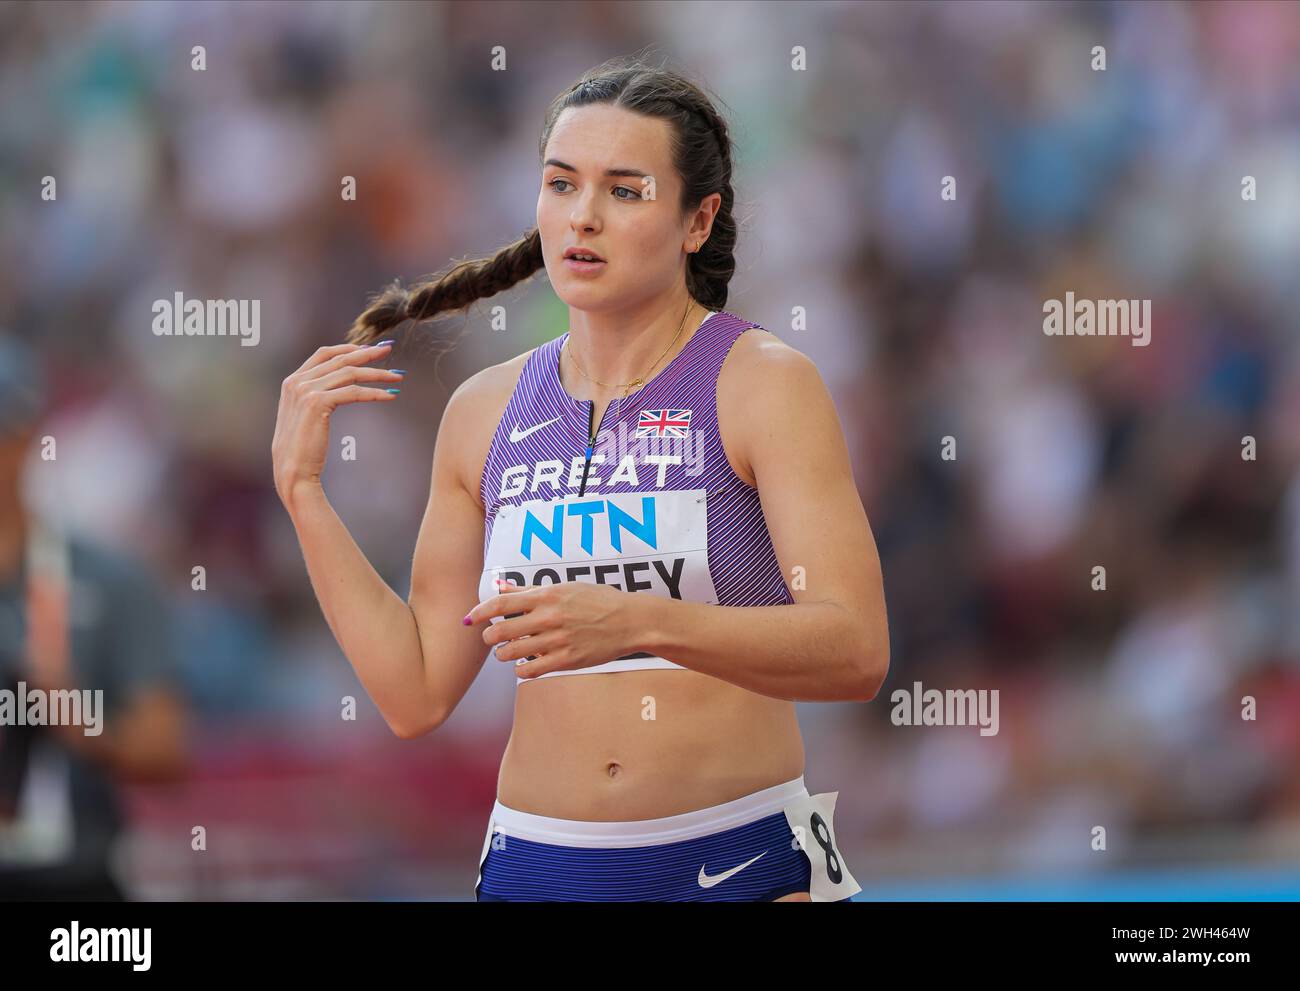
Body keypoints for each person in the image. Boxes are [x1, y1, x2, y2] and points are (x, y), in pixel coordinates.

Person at [271, 56, 888, 901]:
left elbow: (855, 649)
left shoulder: (761, 382)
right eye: (562, 185)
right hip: (538, 859)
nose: (583, 217)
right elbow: (414, 692)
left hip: (735, 856)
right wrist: (305, 495)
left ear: (697, 220)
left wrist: (642, 622)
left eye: (625, 191)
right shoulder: (483, 411)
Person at [0, 332, 189, 900]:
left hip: (73, 890)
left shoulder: (108, 580)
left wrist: (81, 723)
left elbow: (167, 748)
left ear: (28, 435)